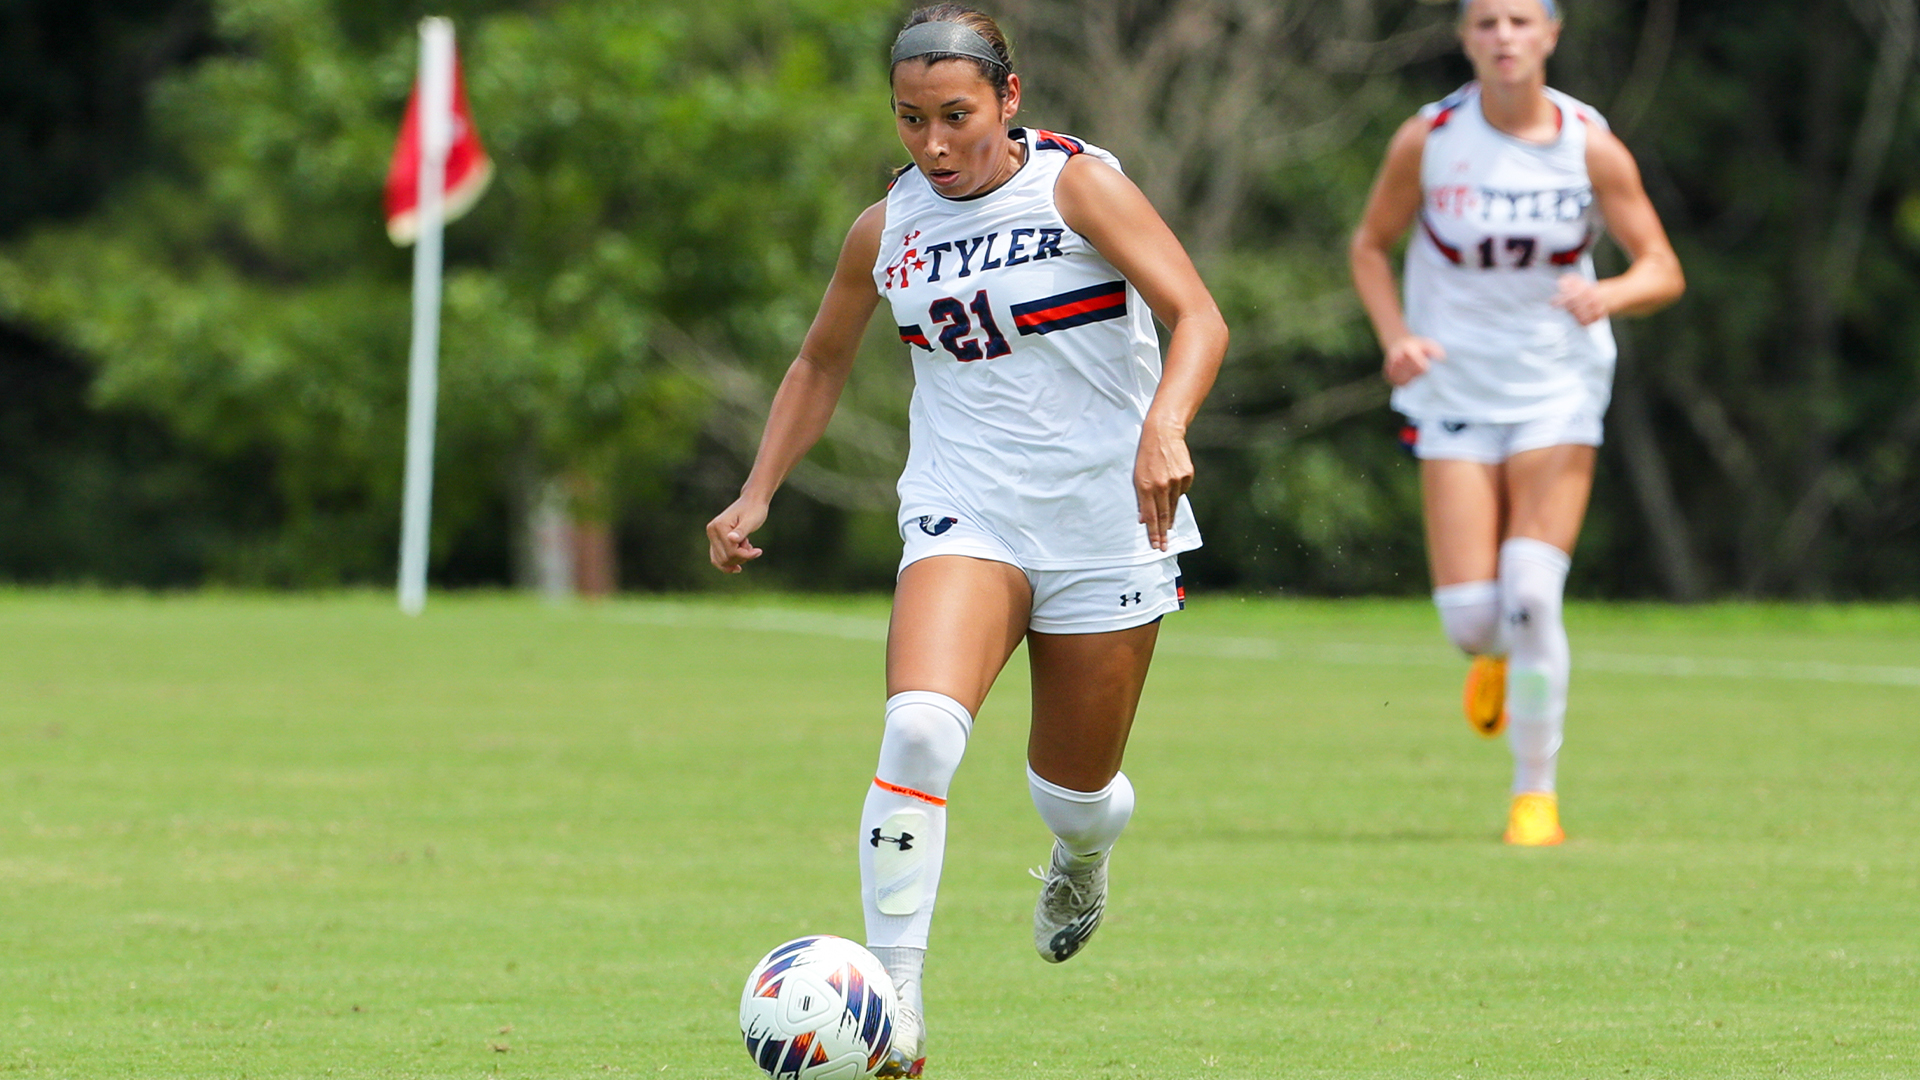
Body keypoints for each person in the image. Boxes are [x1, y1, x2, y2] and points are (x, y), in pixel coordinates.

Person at [705, 5, 1227, 1075]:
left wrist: (1165, 424)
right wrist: (758, 490)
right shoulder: (885, 227)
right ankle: (896, 1012)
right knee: (920, 735)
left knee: (1073, 795)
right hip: (963, 512)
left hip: (1104, 523)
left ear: (1010, 99)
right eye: (909, 120)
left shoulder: (1079, 186)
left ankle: (1082, 857)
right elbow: (818, 363)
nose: (934, 144)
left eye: (956, 117)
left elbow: (1199, 315)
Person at [1348, 0, 1683, 846]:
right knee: (1474, 619)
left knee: (1534, 596)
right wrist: (1397, 339)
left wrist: (1609, 292)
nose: (1504, 37)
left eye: (1521, 21)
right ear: (1465, 39)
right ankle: (1491, 657)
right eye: (1487, 22)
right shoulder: (1427, 139)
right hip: (1455, 390)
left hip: (1556, 389)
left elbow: (1662, 267)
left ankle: (1535, 793)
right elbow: (1369, 246)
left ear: (1550, 37)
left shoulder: (1587, 143)